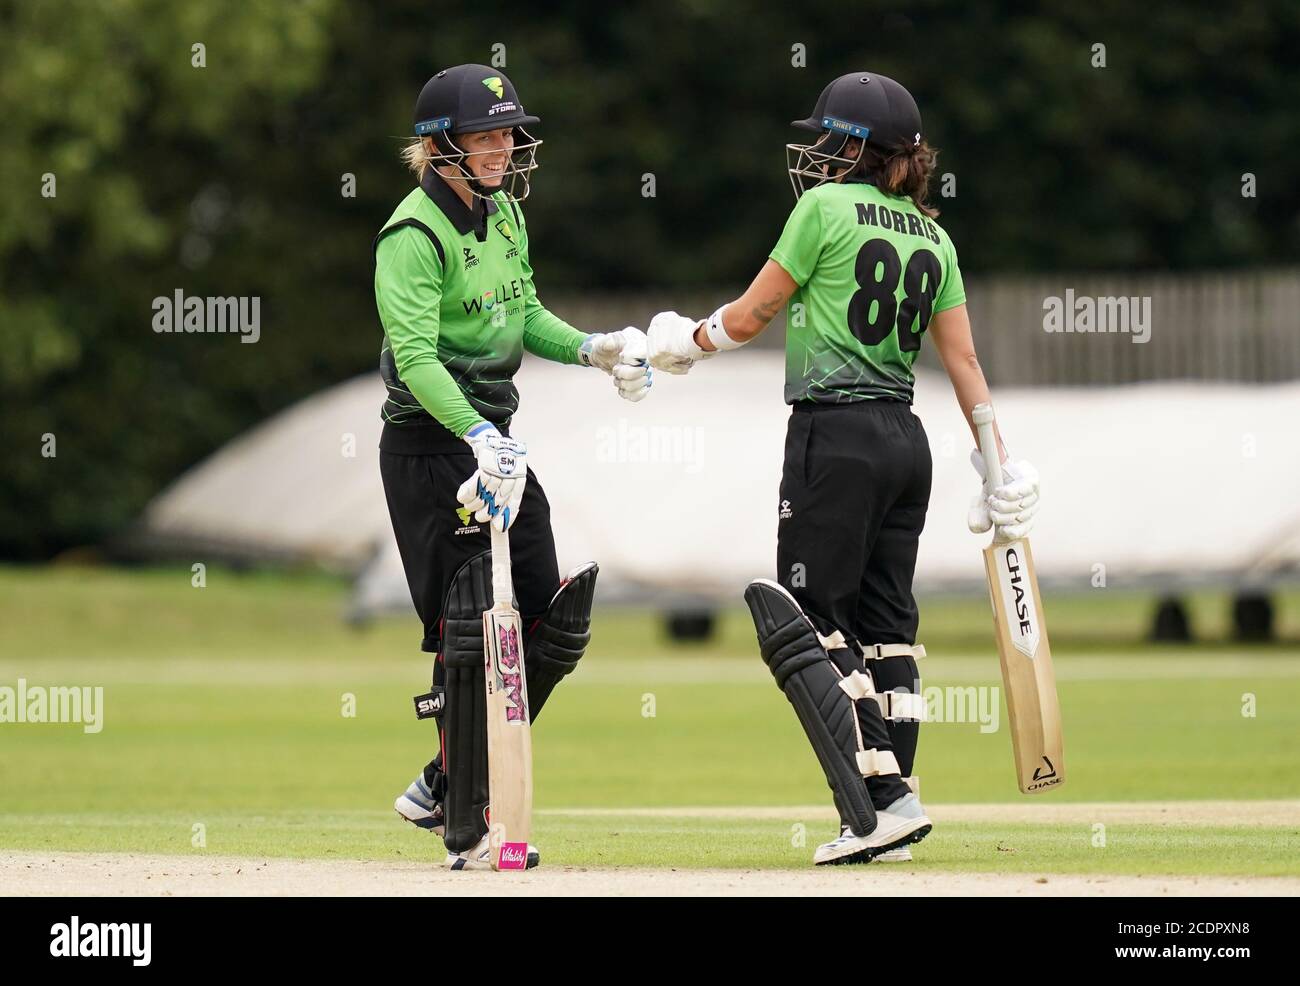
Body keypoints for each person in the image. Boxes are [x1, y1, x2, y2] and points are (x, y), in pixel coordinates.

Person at [645, 71, 1040, 865]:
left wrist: (685, 344)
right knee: (888, 628)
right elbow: (962, 362)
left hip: (837, 435)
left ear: (857, 148)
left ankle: (878, 802)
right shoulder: (935, 236)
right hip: (908, 440)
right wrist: (998, 466)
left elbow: (755, 313)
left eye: (829, 137)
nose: (818, 152)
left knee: (813, 622)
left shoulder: (822, 209)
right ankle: (901, 794)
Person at [374, 64, 651, 870]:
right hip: (432, 450)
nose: (504, 146)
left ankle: (445, 777)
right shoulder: (412, 235)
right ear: (439, 146)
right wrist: (474, 434)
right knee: (467, 629)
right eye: (488, 134)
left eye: (508, 133)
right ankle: (470, 825)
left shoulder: (503, 218)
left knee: (548, 622)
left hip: (495, 442)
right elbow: (418, 358)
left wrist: (593, 349)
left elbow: (523, 315)